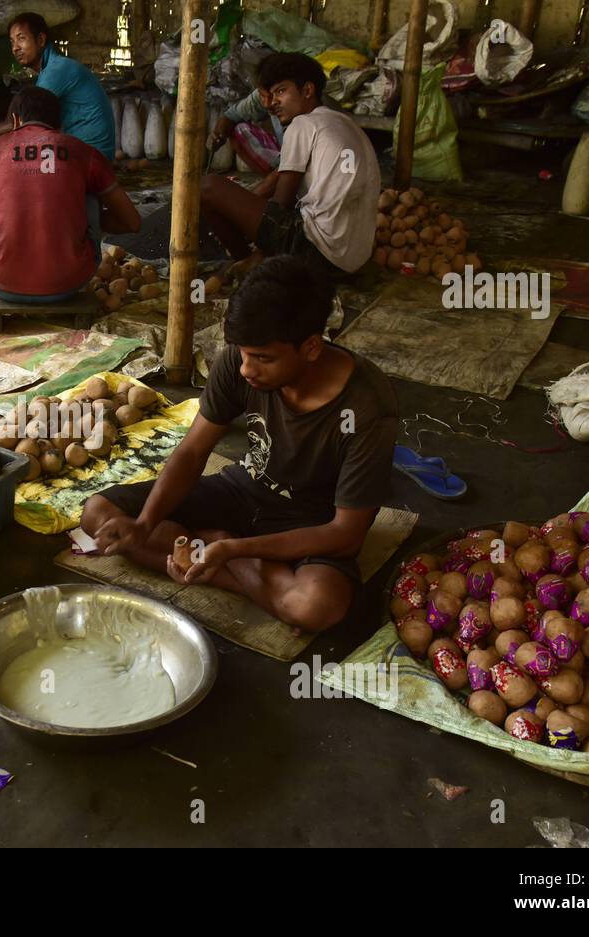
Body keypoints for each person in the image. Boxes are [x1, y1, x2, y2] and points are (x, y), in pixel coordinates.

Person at [82, 256, 398, 634]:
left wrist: (234, 549)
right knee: (98, 514)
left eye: (263, 358)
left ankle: (211, 552)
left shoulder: (367, 408)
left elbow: (345, 534)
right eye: (243, 354)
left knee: (317, 605)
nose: (247, 369)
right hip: (241, 490)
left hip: (309, 520)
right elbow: (193, 451)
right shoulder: (241, 359)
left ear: (311, 347)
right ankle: (242, 573)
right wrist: (145, 523)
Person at [0, 87, 139, 302]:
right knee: (90, 195)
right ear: (59, 123)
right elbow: (132, 222)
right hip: (70, 281)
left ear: (15, 119)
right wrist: (76, 220)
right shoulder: (85, 154)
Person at [200, 53, 380, 274]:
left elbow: (280, 203)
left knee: (206, 187)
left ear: (307, 90)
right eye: (272, 93)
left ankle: (248, 262)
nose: (273, 101)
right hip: (353, 262)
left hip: (317, 253)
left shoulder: (303, 124)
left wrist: (254, 240)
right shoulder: (344, 122)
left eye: (282, 91)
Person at [0, 12, 114, 158]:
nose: (15, 48)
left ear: (41, 40)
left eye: (21, 39)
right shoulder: (51, 70)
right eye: (12, 42)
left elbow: (23, 124)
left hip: (92, 159)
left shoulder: (57, 69)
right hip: (86, 155)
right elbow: (19, 108)